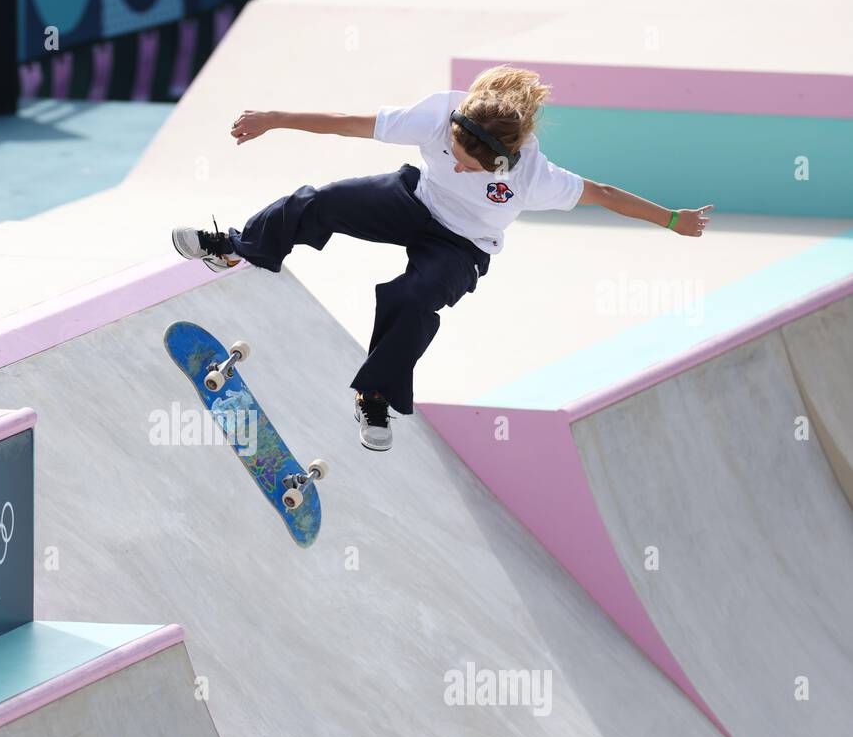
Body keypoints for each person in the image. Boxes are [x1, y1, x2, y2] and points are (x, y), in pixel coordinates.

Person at [172, 65, 712, 451]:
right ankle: (239, 247)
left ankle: (375, 394)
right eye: (453, 154)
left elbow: (605, 193)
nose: (458, 166)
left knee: (415, 298)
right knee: (321, 201)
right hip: (413, 201)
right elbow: (351, 121)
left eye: (472, 167)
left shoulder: (533, 176)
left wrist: (671, 219)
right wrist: (276, 117)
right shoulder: (438, 116)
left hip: (463, 246)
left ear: (502, 162)